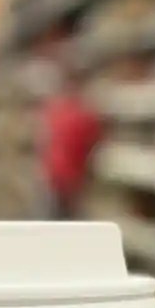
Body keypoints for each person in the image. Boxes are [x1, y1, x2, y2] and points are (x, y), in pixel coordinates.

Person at [41, 65, 101, 219]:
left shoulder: (53, 109)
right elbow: (93, 144)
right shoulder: (85, 113)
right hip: (67, 174)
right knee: (67, 214)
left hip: (57, 173)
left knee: (57, 215)